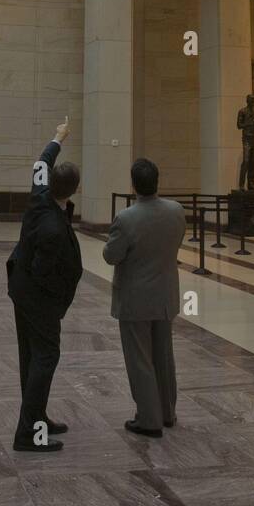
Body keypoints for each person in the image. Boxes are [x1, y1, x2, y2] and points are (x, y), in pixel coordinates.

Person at [6, 117, 82, 453]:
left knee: (31, 356)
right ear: (75, 190)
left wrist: (58, 137)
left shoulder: (40, 194)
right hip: (37, 298)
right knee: (46, 356)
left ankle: (36, 419)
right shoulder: (52, 226)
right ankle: (28, 434)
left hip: (21, 290)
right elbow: (43, 272)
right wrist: (59, 301)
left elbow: (41, 162)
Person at [103, 158, 186, 438]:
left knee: (140, 359)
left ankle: (149, 419)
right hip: (165, 296)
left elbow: (111, 255)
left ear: (133, 184)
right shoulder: (176, 211)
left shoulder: (126, 218)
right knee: (163, 356)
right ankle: (167, 412)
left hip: (136, 299)